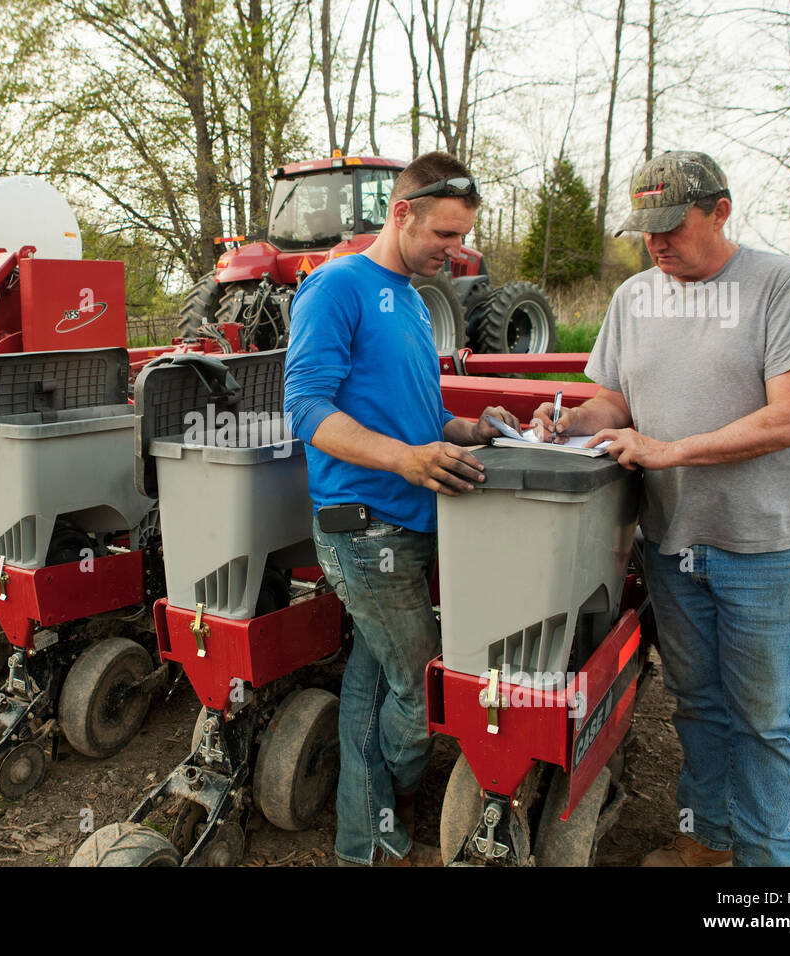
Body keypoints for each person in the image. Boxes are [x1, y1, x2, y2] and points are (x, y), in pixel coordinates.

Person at [533, 151, 790, 867]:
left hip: (761, 546)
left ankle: (767, 863)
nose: (657, 243)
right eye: (647, 230)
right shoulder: (637, 297)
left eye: (673, 226)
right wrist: (571, 420)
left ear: (721, 211)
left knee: (761, 719)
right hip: (673, 543)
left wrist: (667, 452)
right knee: (697, 705)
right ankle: (708, 840)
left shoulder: (781, 286)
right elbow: (615, 398)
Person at [284, 151, 518, 866]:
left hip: (410, 520)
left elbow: (415, 415)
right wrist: (406, 460)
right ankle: (402, 797)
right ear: (401, 212)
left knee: (375, 677)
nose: (456, 251)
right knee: (417, 684)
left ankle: (365, 838)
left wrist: (465, 430)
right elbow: (307, 409)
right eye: (444, 235)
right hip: (364, 528)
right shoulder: (335, 288)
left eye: (462, 236)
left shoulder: (415, 302)